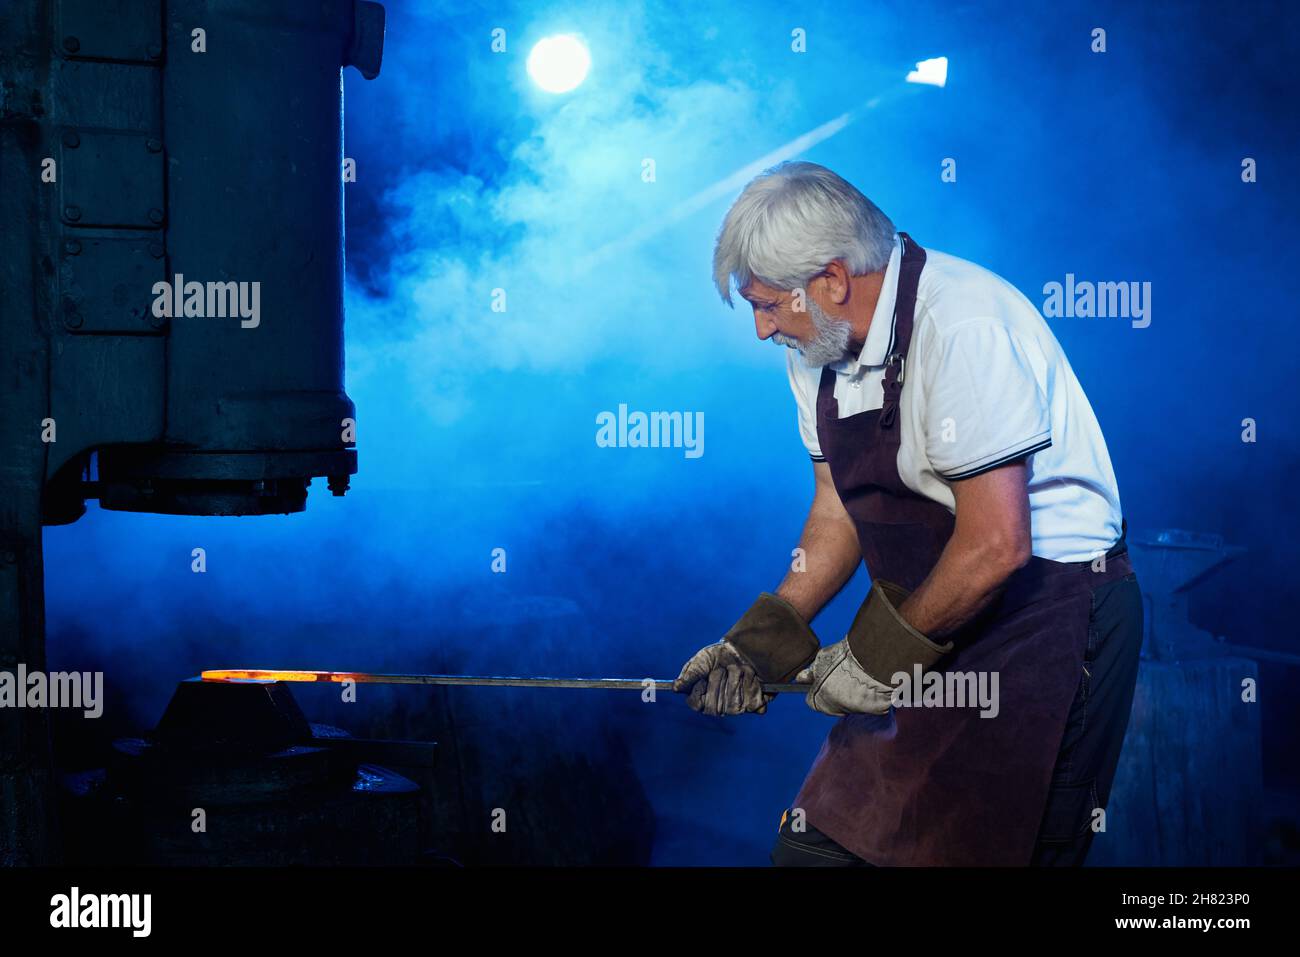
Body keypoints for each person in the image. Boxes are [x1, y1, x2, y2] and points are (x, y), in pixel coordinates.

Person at [674, 161, 1143, 867]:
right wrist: (765, 638)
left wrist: (875, 659)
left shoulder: (962, 324)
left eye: (769, 305)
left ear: (832, 279)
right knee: (817, 855)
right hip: (931, 614)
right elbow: (837, 510)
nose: (762, 330)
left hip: (1044, 618)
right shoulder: (818, 347)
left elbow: (995, 545)